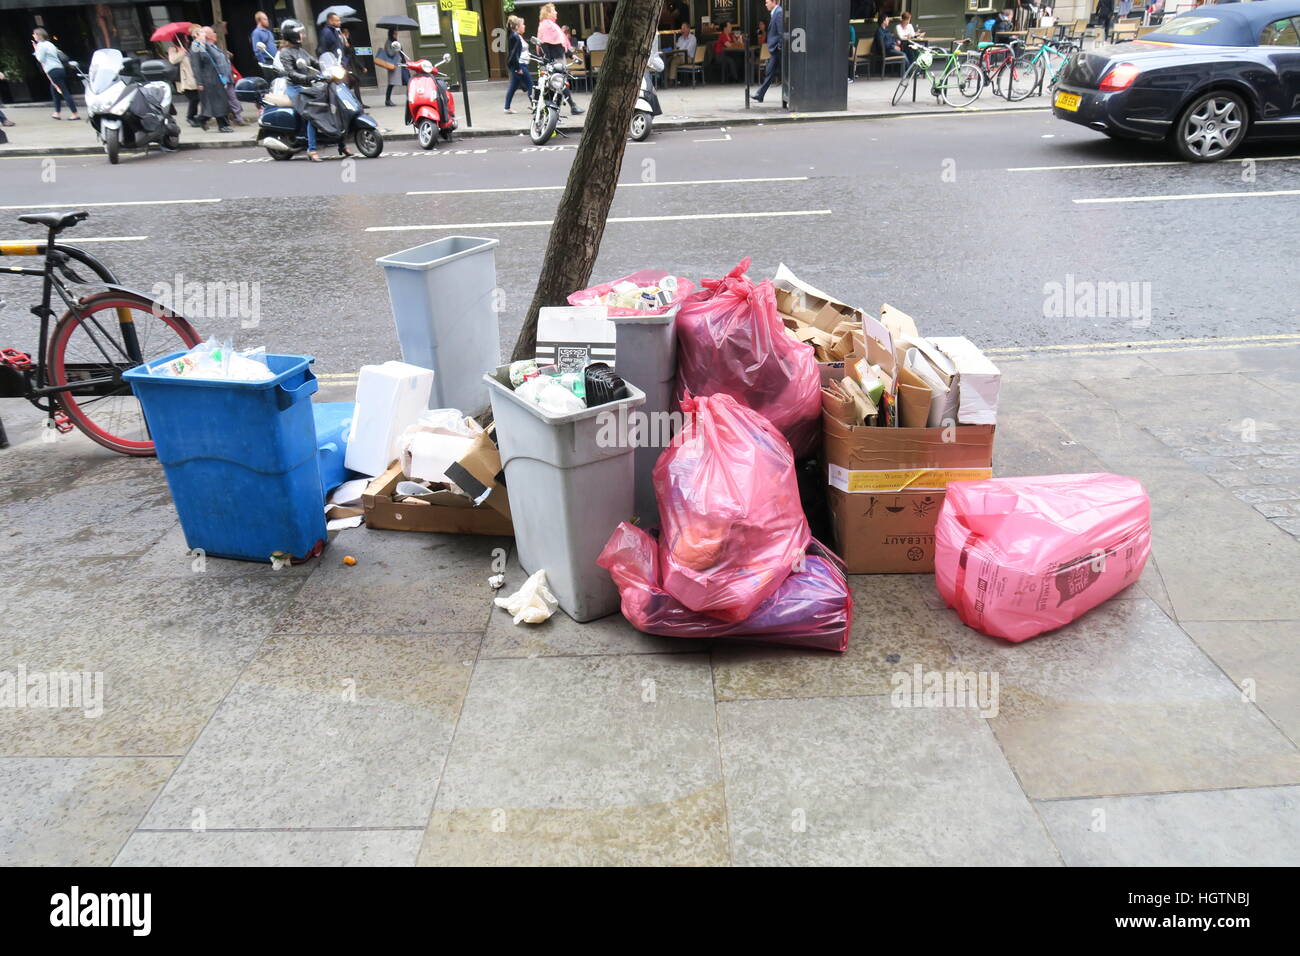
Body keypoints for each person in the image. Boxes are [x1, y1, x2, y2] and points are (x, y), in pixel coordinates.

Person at [278, 18, 345, 161]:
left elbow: (316, 62)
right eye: (299, 33)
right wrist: (308, 78)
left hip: (308, 86)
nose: (302, 35)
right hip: (296, 89)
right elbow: (290, 73)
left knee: (333, 106)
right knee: (313, 114)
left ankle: (342, 145)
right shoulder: (285, 53)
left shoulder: (301, 51)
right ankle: (312, 149)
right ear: (292, 35)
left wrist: (331, 68)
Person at [537, 3, 583, 115]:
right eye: (554, 10)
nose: (556, 12)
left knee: (559, 84)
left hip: (558, 58)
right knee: (560, 83)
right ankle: (571, 106)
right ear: (548, 13)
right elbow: (544, 43)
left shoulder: (552, 25)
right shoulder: (546, 25)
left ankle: (557, 111)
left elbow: (561, 45)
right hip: (554, 60)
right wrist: (549, 60)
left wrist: (572, 55)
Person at [190, 26, 232, 131]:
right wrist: (199, 82)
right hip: (207, 80)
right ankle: (222, 125)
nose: (204, 35)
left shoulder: (205, 46)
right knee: (215, 103)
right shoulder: (195, 46)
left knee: (218, 102)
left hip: (216, 77)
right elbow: (196, 66)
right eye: (201, 33)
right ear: (196, 36)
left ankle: (203, 119)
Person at [32, 28, 79, 121]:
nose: (33, 36)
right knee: (54, 91)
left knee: (64, 91)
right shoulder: (50, 44)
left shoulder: (41, 45)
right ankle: (57, 113)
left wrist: (36, 49)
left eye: (34, 34)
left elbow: (40, 59)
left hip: (52, 70)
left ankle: (75, 113)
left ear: (38, 35)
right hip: (59, 69)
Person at [168, 37, 201, 127]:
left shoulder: (189, 48)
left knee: (198, 97)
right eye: (185, 38)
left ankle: (197, 117)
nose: (187, 40)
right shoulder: (173, 49)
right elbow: (173, 60)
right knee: (194, 98)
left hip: (194, 78)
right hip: (184, 80)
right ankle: (190, 117)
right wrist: (181, 52)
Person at [754, 0, 782, 103]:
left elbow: (781, 31)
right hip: (775, 49)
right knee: (769, 72)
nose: (765, 4)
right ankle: (760, 95)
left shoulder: (778, 12)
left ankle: (760, 94)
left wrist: (779, 46)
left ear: (774, 2)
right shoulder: (776, 12)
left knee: (772, 71)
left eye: (767, 2)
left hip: (777, 49)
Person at [374, 28, 410, 108]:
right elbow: (390, 53)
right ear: (391, 34)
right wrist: (396, 49)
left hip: (401, 65)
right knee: (391, 83)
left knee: (408, 81)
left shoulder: (396, 42)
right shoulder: (389, 42)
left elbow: (401, 53)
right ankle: (387, 100)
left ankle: (409, 99)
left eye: (396, 34)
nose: (396, 35)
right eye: (394, 34)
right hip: (394, 65)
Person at [503, 15, 532, 113]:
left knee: (513, 86)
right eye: (522, 25)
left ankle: (507, 108)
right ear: (517, 27)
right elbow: (514, 54)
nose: (524, 26)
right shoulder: (515, 37)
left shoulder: (517, 36)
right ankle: (536, 106)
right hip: (520, 65)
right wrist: (518, 68)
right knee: (530, 85)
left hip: (519, 65)